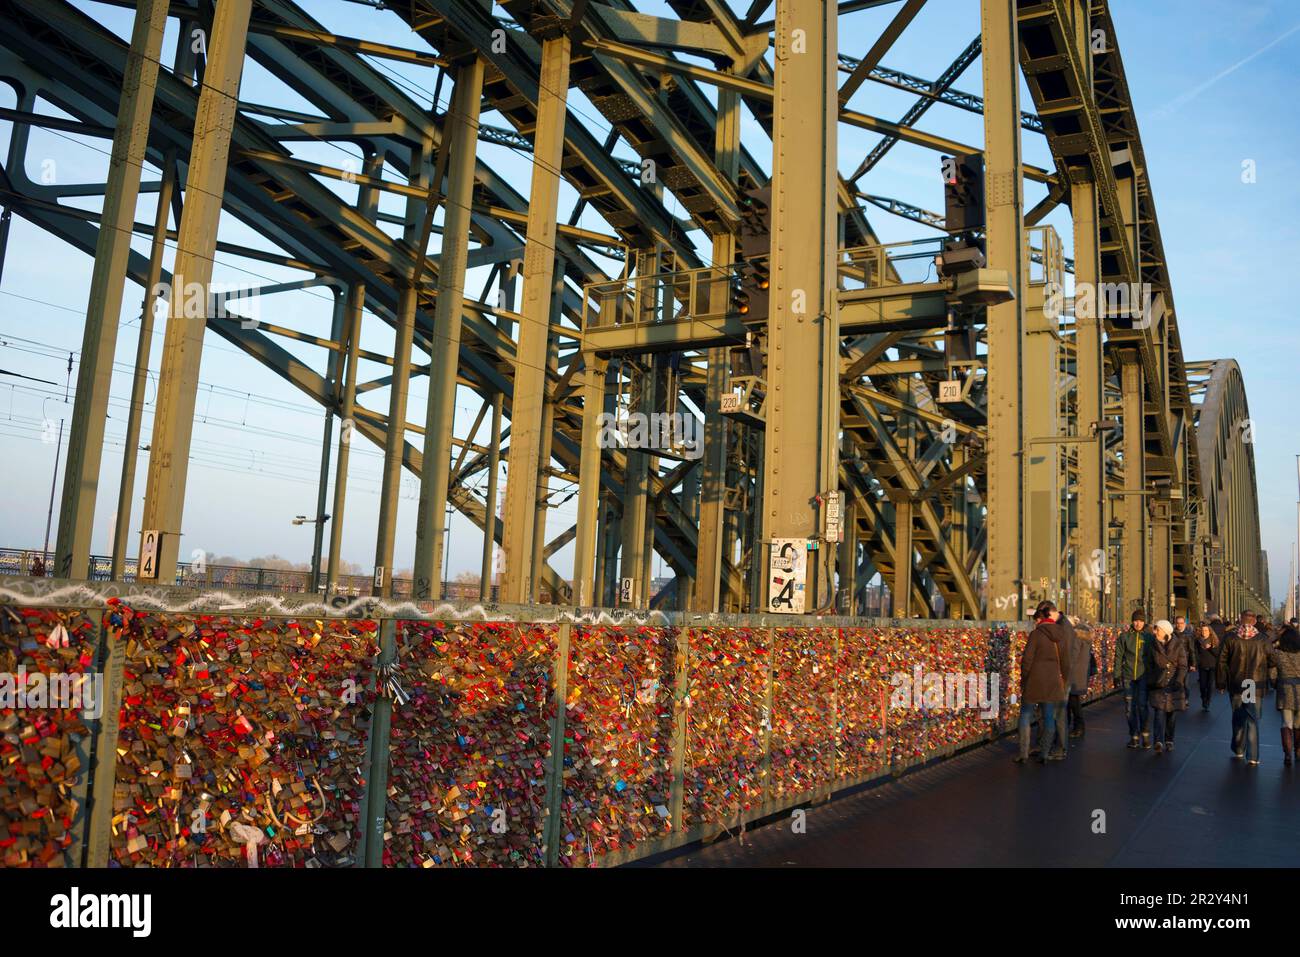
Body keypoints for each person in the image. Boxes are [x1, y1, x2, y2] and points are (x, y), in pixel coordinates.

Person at [1015, 601, 1070, 765]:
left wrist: (1023, 680)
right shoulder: (1061, 635)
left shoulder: (1036, 634)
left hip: (1034, 681)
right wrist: (1064, 680)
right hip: (1052, 682)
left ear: (1039, 619)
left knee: (1025, 715)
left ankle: (1023, 754)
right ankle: (1044, 753)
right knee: (1048, 717)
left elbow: (1027, 661)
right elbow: (1066, 662)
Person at [1216, 611, 1270, 765]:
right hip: (1254, 683)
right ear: (1254, 621)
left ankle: (1238, 748)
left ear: (1240, 620)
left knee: (1238, 715)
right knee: (1252, 718)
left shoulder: (1230, 638)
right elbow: (1272, 659)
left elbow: (1221, 661)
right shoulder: (1262, 640)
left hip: (1237, 682)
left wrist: (1220, 683)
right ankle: (1253, 756)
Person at [1146, 619, 1188, 754]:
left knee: (1171, 714)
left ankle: (1169, 739)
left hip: (1173, 683)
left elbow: (1182, 665)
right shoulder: (1152, 644)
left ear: (1164, 631)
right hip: (1158, 683)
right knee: (1158, 712)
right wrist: (1152, 677)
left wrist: (1179, 681)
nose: (1155, 632)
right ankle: (1158, 741)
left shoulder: (1178, 645)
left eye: (1157, 629)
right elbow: (1148, 663)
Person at [1115, 610, 1153, 749]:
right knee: (1130, 708)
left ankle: (1145, 734)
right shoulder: (1124, 637)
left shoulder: (1149, 637)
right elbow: (1119, 656)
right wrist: (1116, 675)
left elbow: (1153, 657)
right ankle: (1134, 736)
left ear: (1144, 622)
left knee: (1142, 706)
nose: (1138, 623)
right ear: (1132, 621)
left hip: (1143, 676)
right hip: (1128, 676)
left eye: (1141, 621)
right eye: (1136, 620)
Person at [1267, 624, 1300, 766]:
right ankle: (1298, 750)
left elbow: (1273, 673)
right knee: (1299, 723)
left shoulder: (1278, 654)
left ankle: (1287, 754)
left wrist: (1275, 684)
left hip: (1285, 688)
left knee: (1287, 723)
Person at [1066, 617, 1093, 739]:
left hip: (1074, 675)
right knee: (1075, 702)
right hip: (1080, 675)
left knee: (1073, 703)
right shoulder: (1085, 638)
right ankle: (1078, 727)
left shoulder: (1076, 638)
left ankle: (1078, 728)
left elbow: (1073, 656)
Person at [1194, 620, 1220, 711]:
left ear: (1210, 632)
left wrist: (1210, 648)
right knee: (1202, 685)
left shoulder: (1214, 641)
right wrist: (1196, 663)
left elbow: (1218, 654)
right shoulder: (1198, 641)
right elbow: (1195, 653)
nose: (1204, 632)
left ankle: (1207, 701)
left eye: (1206, 631)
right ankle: (1203, 698)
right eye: (1203, 631)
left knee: (1209, 685)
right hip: (1202, 665)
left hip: (1212, 666)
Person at [1172, 615, 1194, 711]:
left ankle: (1186, 699)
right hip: (1174, 663)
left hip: (1185, 663)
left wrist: (1193, 664)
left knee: (1185, 684)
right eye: (1178, 623)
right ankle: (1177, 700)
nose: (1179, 625)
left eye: (1181, 623)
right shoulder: (1172, 635)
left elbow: (1192, 650)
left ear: (1184, 624)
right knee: (1176, 682)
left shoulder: (1188, 635)